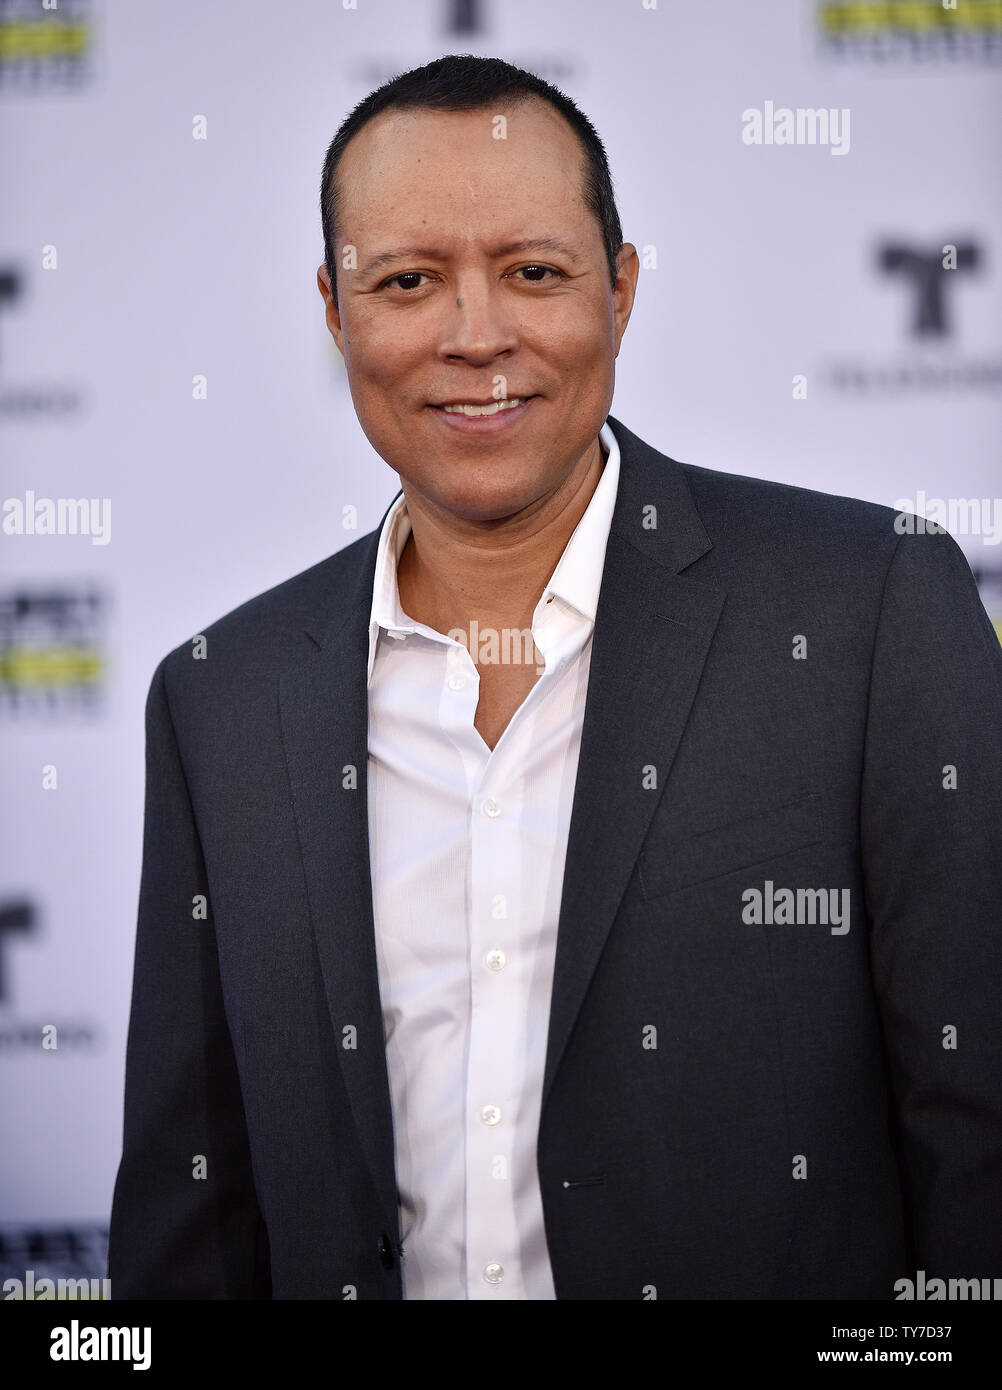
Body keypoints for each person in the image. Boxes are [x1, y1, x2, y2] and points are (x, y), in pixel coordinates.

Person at [108, 54, 1002, 1300]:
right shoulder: (221, 697)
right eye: (409, 281)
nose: (478, 337)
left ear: (621, 291)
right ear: (334, 310)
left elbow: (979, 1132)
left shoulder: (866, 606)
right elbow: (187, 1209)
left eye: (534, 272)